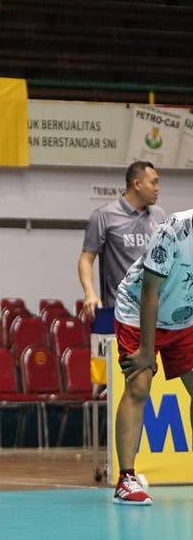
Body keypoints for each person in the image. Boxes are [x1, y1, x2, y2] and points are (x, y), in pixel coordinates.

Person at [112, 209, 193, 505]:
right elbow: (149, 291)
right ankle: (126, 479)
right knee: (139, 384)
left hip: (183, 315)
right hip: (137, 309)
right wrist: (147, 352)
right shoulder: (174, 230)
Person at [78, 161, 165, 322]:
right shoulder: (103, 216)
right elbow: (86, 259)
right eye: (153, 182)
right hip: (121, 313)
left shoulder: (159, 215)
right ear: (137, 184)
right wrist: (89, 293)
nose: (157, 188)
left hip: (156, 312)